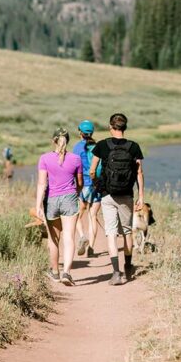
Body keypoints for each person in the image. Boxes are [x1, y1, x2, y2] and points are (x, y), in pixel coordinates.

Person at [91, 113, 144, 286]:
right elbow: (139, 173)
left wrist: (97, 184)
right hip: (127, 195)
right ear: (125, 127)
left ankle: (115, 273)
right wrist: (141, 197)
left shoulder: (101, 145)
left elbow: (92, 171)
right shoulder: (134, 147)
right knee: (127, 232)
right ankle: (128, 269)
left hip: (107, 194)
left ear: (110, 126)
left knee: (111, 233)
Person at [36, 127, 83, 286]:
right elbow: (80, 183)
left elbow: (42, 184)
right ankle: (66, 273)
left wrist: (38, 206)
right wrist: (75, 193)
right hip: (69, 198)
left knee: (53, 239)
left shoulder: (44, 158)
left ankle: (55, 272)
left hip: (51, 200)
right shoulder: (76, 159)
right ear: (67, 141)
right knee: (69, 237)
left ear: (53, 141)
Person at [72, 120, 102, 258]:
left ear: (80, 132)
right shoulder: (97, 146)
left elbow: (74, 168)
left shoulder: (77, 147)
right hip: (97, 184)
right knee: (93, 216)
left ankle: (82, 236)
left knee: (78, 214)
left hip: (83, 183)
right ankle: (91, 248)